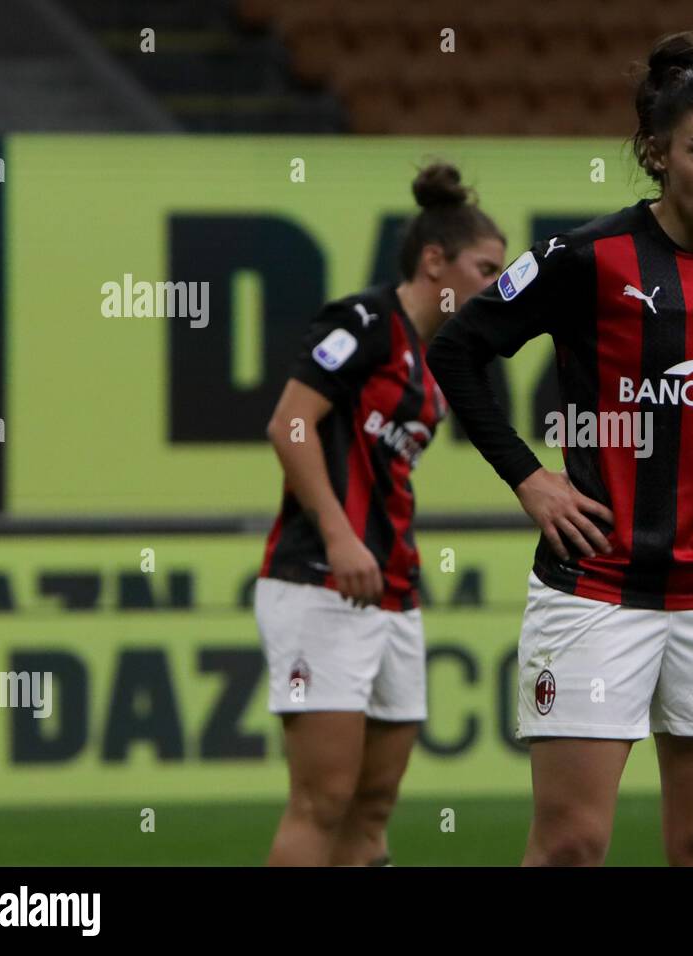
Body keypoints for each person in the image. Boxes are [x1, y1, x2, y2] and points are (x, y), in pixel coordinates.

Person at [426, 32, 693, 866]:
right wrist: (529, 479)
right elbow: (456, 350)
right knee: (572, 846)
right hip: (595, 586)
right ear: (655, 155)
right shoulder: (584, 260)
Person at [255, 162, 505, 866]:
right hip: (320, 582)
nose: (496, 286)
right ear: (435, 261)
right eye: (485, 269)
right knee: (322, 802)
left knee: (371, 809)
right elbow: (290, 425)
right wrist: (338, 536)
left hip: (393, 590)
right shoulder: (363, 321)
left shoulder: (435, 362)